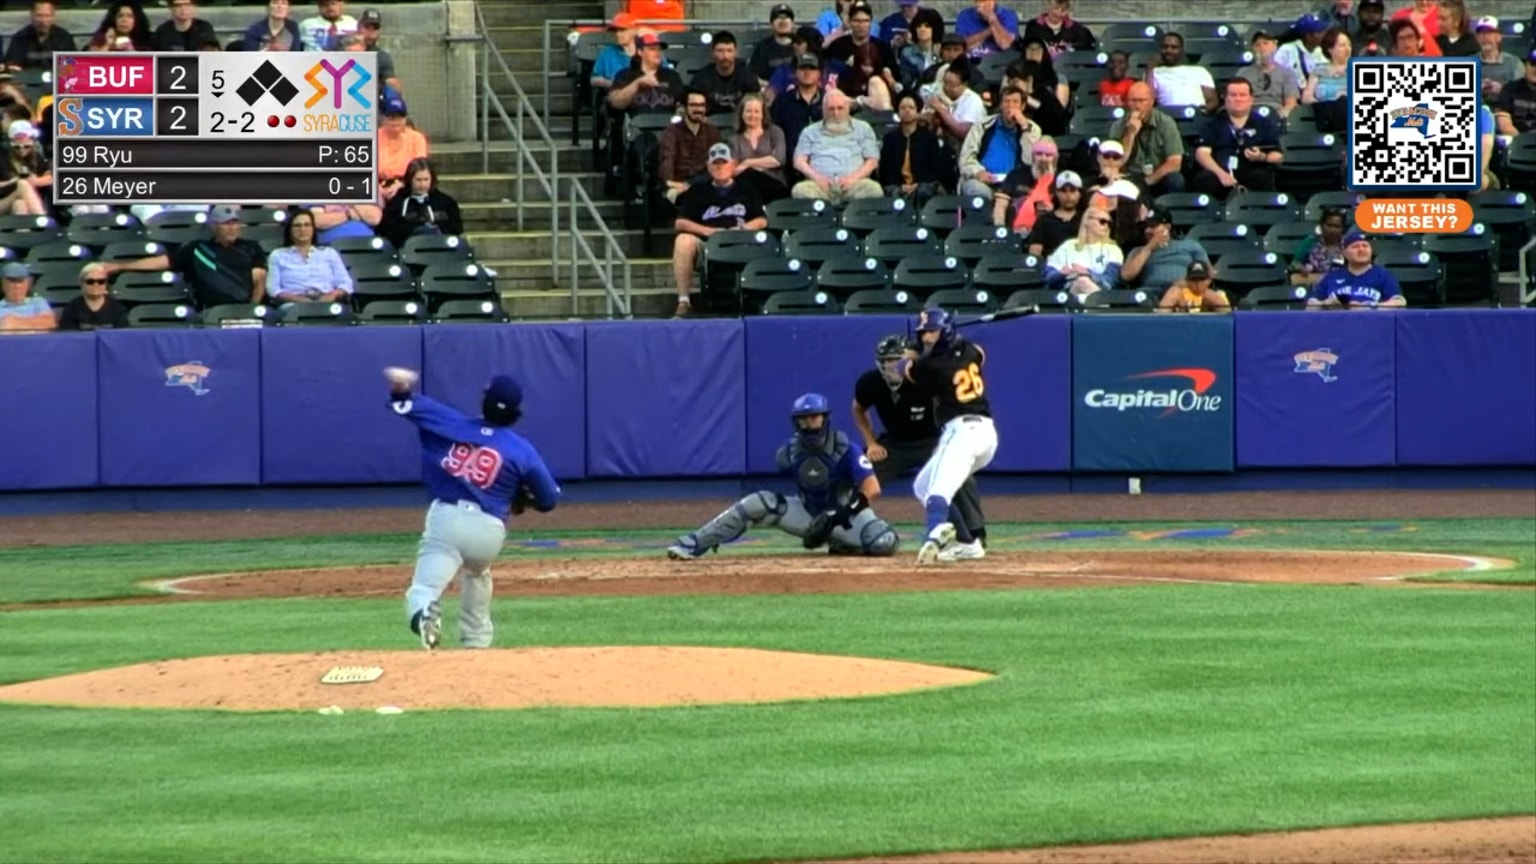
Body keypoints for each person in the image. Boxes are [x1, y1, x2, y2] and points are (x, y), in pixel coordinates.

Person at [384, 367, 560, 650]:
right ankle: (476, 642)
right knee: (478, 573)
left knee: (425, 588)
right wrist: (524, 498)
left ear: (484, 400)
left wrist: (400, 387)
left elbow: (404, 404)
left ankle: (425, 612)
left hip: (447, 522)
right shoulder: (521, 450)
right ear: (516, 412)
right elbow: (548, 499)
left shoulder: (451, 422)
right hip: (489, 531)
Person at [665, 393, 901, 559]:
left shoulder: (846, 448)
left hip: (845, 516)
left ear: (824, 419)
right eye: (804, 419)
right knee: (759, 502)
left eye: (814, 418)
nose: (809, 424)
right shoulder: (788, 454)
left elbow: (872, 488)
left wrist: (842, 514)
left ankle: (845, 543)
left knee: (884, 541)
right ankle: (696, 542)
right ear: (796, 423)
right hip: (808, 514)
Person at [853, 334, 988, 553]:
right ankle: (848, 532)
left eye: (897, 360)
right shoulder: (870, 382)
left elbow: (963, 364)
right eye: (887, 361)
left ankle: (974, 533)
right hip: (894, 444)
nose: (892, 366)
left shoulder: (923, 377)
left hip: (931, 442)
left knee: (960, 476)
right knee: (859, 474)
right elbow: (858, 409)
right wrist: (871, 442)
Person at [896, 307, 996, 564]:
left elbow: (903, 368)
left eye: (931, 332)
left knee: (938, 490)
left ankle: (933, 534)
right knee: (922, 486)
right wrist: (949, 342)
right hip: (985, 434)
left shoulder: (931, 366)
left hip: (962, 432)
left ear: (945, 331)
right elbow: (980, 354)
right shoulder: (971, 350)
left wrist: (913, 352)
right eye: (923, 333)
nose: (926, 337)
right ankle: (967, 543)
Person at [671, 143, 768, 318]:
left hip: (741, 242)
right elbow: (680, 223)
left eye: (724, 162)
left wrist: (742, 229)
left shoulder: (747, 188)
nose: (719, 167)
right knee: (683, 241)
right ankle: (684, 302)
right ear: (708, 166)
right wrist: (708, 231)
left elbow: (762, 220)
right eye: (715, 163)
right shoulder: (698, 190)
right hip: (709, 244)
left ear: (733, 164)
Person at [266, 209, 353, 306]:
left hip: (327, 302)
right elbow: (273, 289)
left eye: (307, 225)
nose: (302, 229)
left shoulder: (329, 253)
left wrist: (332, 295)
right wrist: (297, 299)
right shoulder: (278, 255)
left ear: (313, 229)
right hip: (293, 304)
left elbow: (346, 284)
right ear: (290, 230)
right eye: (297, 225)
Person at [1307, 229, 1407, 309]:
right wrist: (1325, 304)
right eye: (1355, 247)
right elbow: (1310, 305)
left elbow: (1400, 302)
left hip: (1373, 323)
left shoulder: (1383, 275)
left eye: (1365, 246)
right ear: (1345, 253)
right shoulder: (1332, 276)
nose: (1361, 249)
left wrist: (1370, 306)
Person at [376, 157, 462, 249]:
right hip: (408, 250)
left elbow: (456, 229)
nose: (422, 184)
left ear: (432, 179)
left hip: (441, 248)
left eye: (426, 179)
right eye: (418, 180)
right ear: (410, 179)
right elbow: (388, 231)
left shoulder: (446, 202)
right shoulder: (397, 203)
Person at [58, 262, 129, 330]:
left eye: (101, 281)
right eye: (90, 282)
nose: (96, 285)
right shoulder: (72, 308)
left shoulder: (117, 308)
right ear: (81, 283)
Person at [1290, 208, 1348, 287]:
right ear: (1322, 225)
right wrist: (1300, 267)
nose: (1332, 229)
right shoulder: (1310, 242)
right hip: (1315, 283)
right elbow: (1295, 263)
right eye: (1329, 225)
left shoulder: (1348, 244)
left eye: (1337, 226)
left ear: (1343, 229)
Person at [1156, 260, 1231, 312]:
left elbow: (1229, 319)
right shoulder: (1178, 293)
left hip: (1208, 327)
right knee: (1174, 291)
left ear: (1208, 280)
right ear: (1187, 280)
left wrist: (1214, 301)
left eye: (1201, 279)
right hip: (1181, 325)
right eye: (1193, 279)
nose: (1197, 283)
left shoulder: (1218, 295)